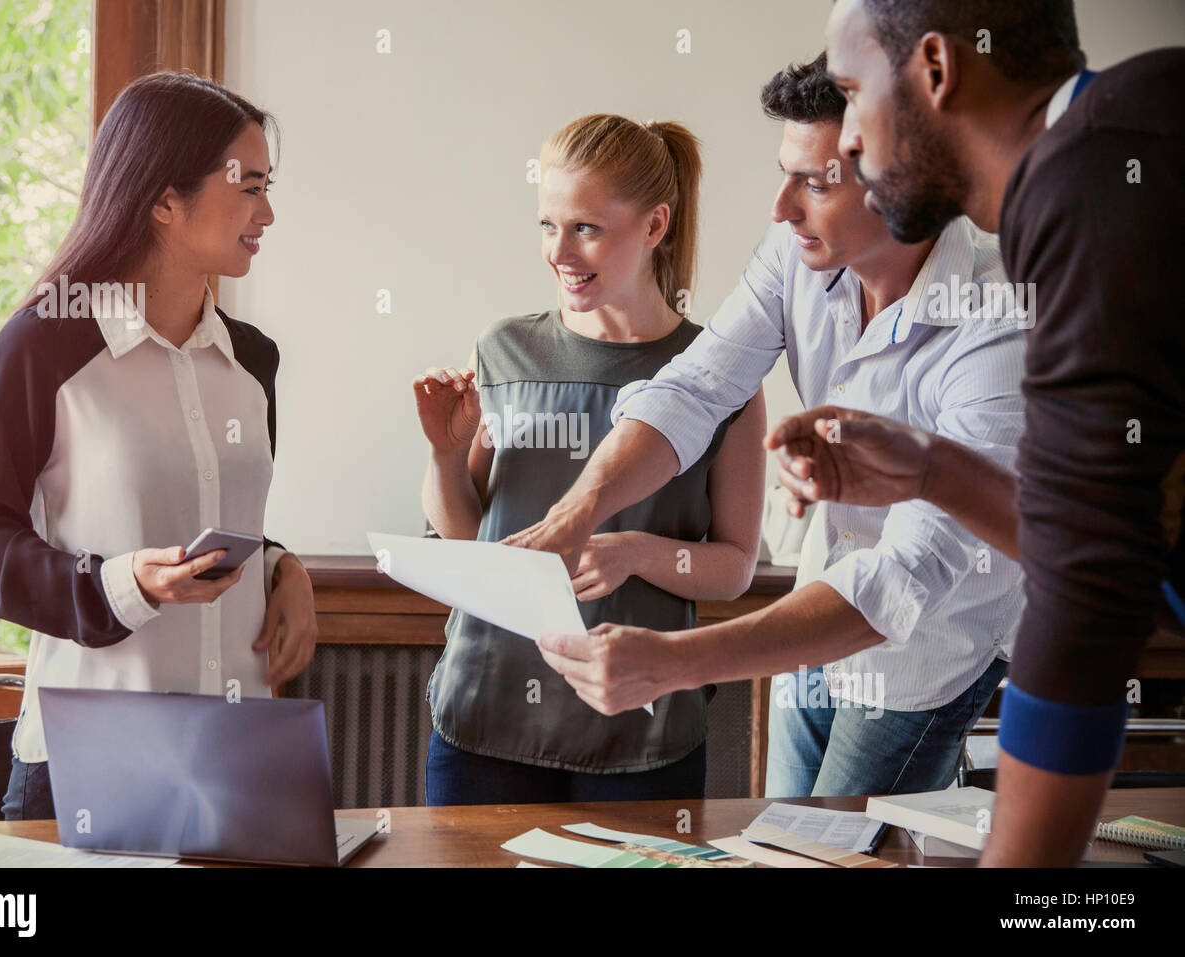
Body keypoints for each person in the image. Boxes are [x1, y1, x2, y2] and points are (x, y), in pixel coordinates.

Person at [503, 55, 1028, 798]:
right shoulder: (797, 252)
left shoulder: (999, 323)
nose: (781, 206)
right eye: (787, 173)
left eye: (815, 182)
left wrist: (678, 660)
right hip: (817, 601)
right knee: (787, 834)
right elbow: (693, 388)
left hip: (933, 637)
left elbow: (906, 574)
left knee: (848, 852)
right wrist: (576, 510)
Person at [766, 0, 1184, 864]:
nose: (844, 144)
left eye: (851, 92)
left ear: (937, 70)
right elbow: (1085, 527)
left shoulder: (1090, 176)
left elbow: (1088, 593)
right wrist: (929, 470)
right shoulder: (1115, 139)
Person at [0, 72, 319, 820]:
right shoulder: (40, 349)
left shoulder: (255, 361)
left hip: (235, 752)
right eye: (247, 186)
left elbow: (206, 506)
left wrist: (283, 568)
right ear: (163, 200)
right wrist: (129, 587)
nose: (268, 211)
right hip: (89, 758)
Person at [412, 114, 766, 805]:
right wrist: (445, 457)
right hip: (483, 716)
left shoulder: (716, 376)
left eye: (586, 228)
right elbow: (464, 541)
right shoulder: (504, 349)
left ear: (656, 225)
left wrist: (634, 550)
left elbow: (733, 567)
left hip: (643, 731)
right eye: (548, 225)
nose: (559, 251)